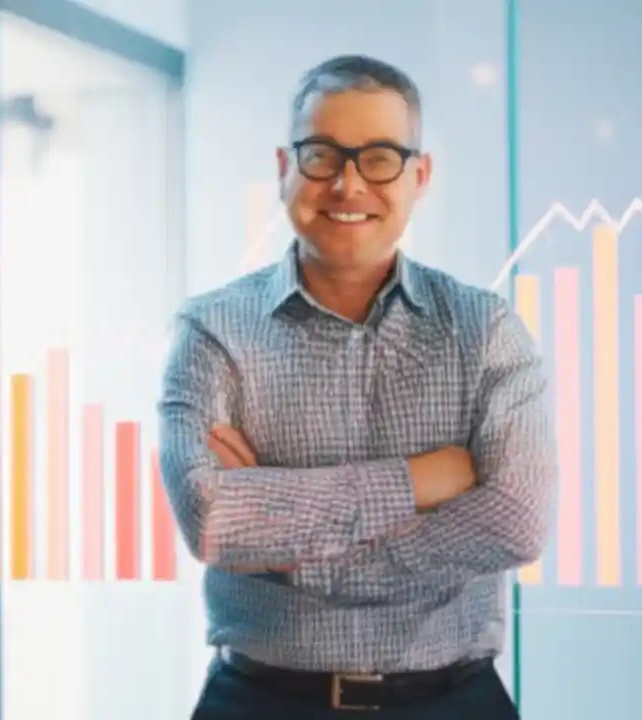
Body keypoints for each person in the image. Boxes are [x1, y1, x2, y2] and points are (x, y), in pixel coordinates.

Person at [157, 53, 557, 719]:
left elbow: (515, 521)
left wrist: (292, 550)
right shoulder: (212, 332)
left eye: (379, 157)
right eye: (322, 155)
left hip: (453, 701)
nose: (347, 184)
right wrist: (419, 481)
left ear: (418, 175)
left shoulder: (486, 330)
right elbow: (212, 517)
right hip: (260, 701)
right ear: (285, 168)